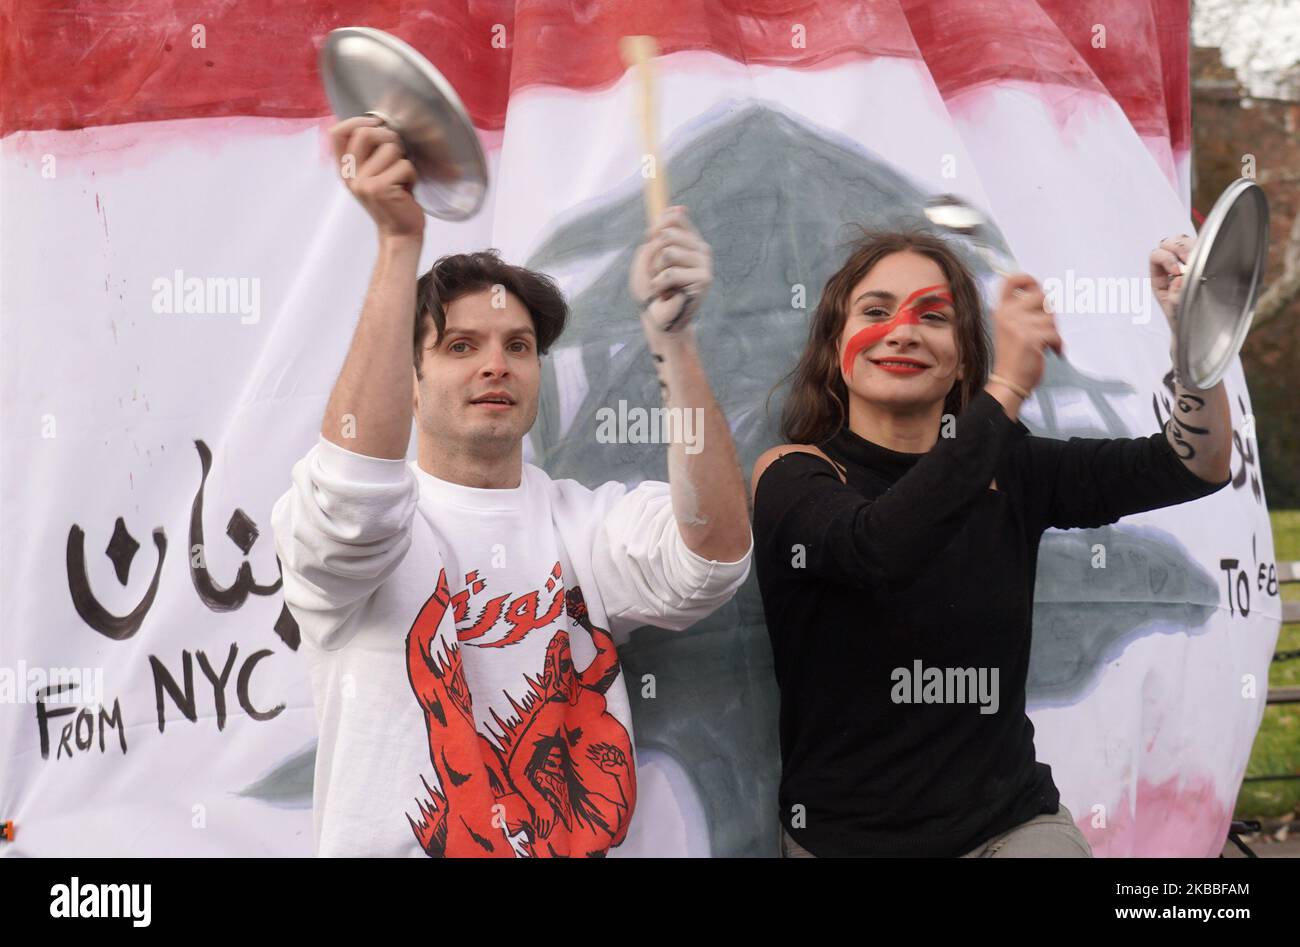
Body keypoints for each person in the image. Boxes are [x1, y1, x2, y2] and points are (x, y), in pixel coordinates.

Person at [272, 115, 751, 857]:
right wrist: (399, 245)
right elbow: (351, 501)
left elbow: (712, 559)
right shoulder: (357, 528)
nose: (496, 365)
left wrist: (676, 345)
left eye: (518, 346)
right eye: (461, 346)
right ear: (411, 380)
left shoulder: (582, 524)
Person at [751, 230, 1231, 857]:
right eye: (874, 311)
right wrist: (1004, 389)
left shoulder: (1015, 468)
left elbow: (1195, 466)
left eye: (933, 316)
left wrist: (1196, 342)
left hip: (1009, 829)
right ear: (833, 346)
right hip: (847, 841)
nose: (902, 331)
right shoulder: (794, 473)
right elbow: (878, 549)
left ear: (960, 359)